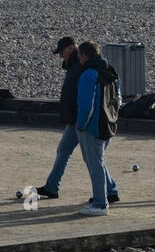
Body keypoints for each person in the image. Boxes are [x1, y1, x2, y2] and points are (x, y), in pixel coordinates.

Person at [39, 36, 119, 203]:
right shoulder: (80, 65)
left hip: (82, 121)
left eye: (61, 52)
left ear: (70, 49)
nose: (61, 56)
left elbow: (85, 98)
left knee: (92, 159)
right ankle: (52, 186)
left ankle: (105, 197)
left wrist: (80, 122)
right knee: (67, 151)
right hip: (78, 119)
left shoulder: (83, 67)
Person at [74, 41, 118, 216]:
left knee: (95, 163)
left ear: (84, 56)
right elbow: (118, 99)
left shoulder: (88, 75)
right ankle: (109, 192)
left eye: (80, 57)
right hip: (108, 123)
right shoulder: (110, 71)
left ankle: (100, 203)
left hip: (92, 126)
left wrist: (80, 125)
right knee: (98, 161)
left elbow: (86, 106)